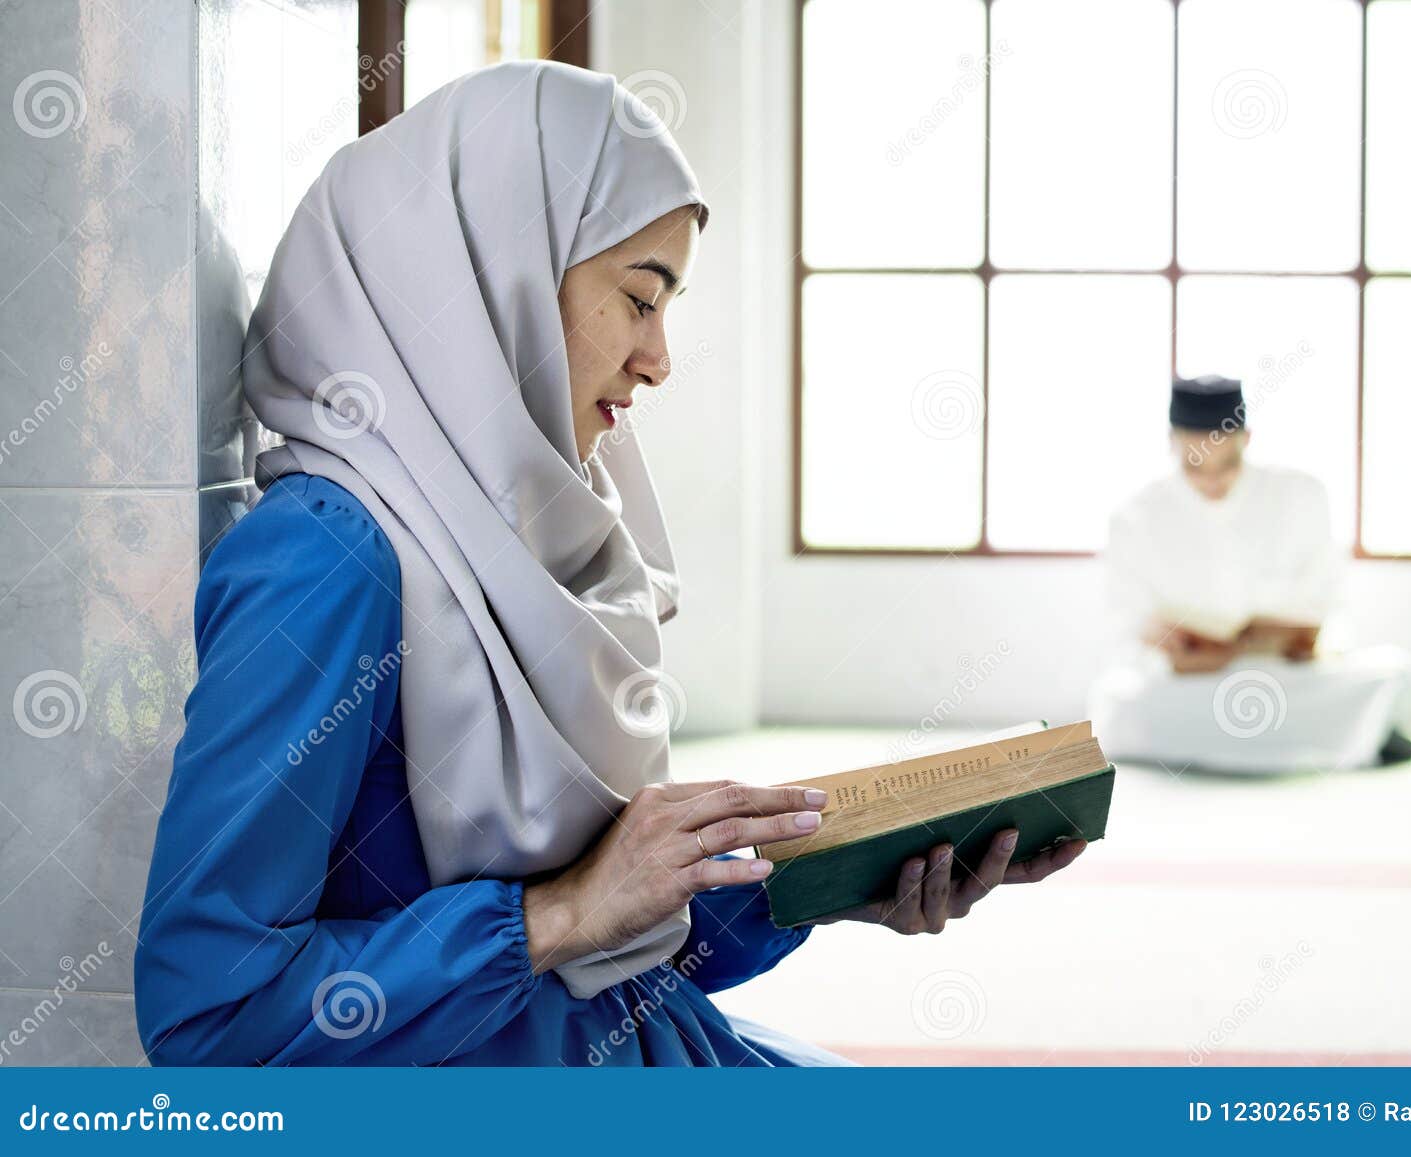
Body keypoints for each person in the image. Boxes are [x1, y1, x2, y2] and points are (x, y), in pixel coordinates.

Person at [133, 61, 1088, 1067]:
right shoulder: (327, 559)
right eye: (640, 298)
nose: (657, 357)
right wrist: (559, 913)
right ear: (493, 276)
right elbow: (210, 1020)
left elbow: (610, 959)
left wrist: (824, 878)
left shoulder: (531, 536)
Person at [1088, 374, 1411, 775]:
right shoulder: (1134, 514)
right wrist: (1167, 644)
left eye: (1226, 464)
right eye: (1196, 466)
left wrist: (1293, 641)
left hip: (1286, 676)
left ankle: (1338, 730)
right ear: (1172, 443)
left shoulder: (1301, 493)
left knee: (1388, 671)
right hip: (1189, 684)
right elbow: (1126, 619)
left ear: (1247, 439)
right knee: (1119, 698)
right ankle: (1345, 738)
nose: (1212, 480)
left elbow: (1328, 602)